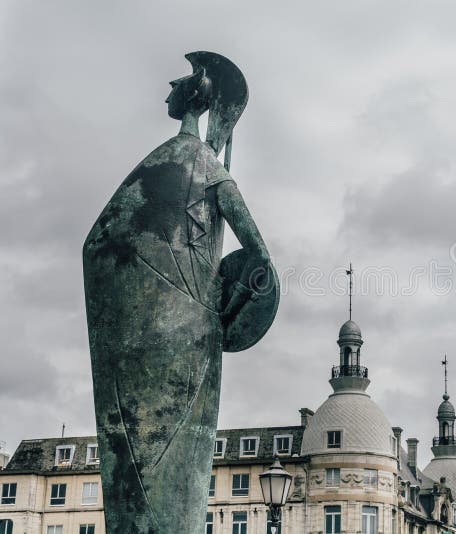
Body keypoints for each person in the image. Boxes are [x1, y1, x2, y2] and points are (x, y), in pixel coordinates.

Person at [83, 52, 272, 533]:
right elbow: (258, 252)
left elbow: (99, 243)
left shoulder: (166, 161)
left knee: (144, 450)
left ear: (188, 96)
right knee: (173, 454)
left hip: (149, 331)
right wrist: (231, 303)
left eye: (172, 88)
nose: (165, 95)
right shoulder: (206, 163)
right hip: (190, 332)